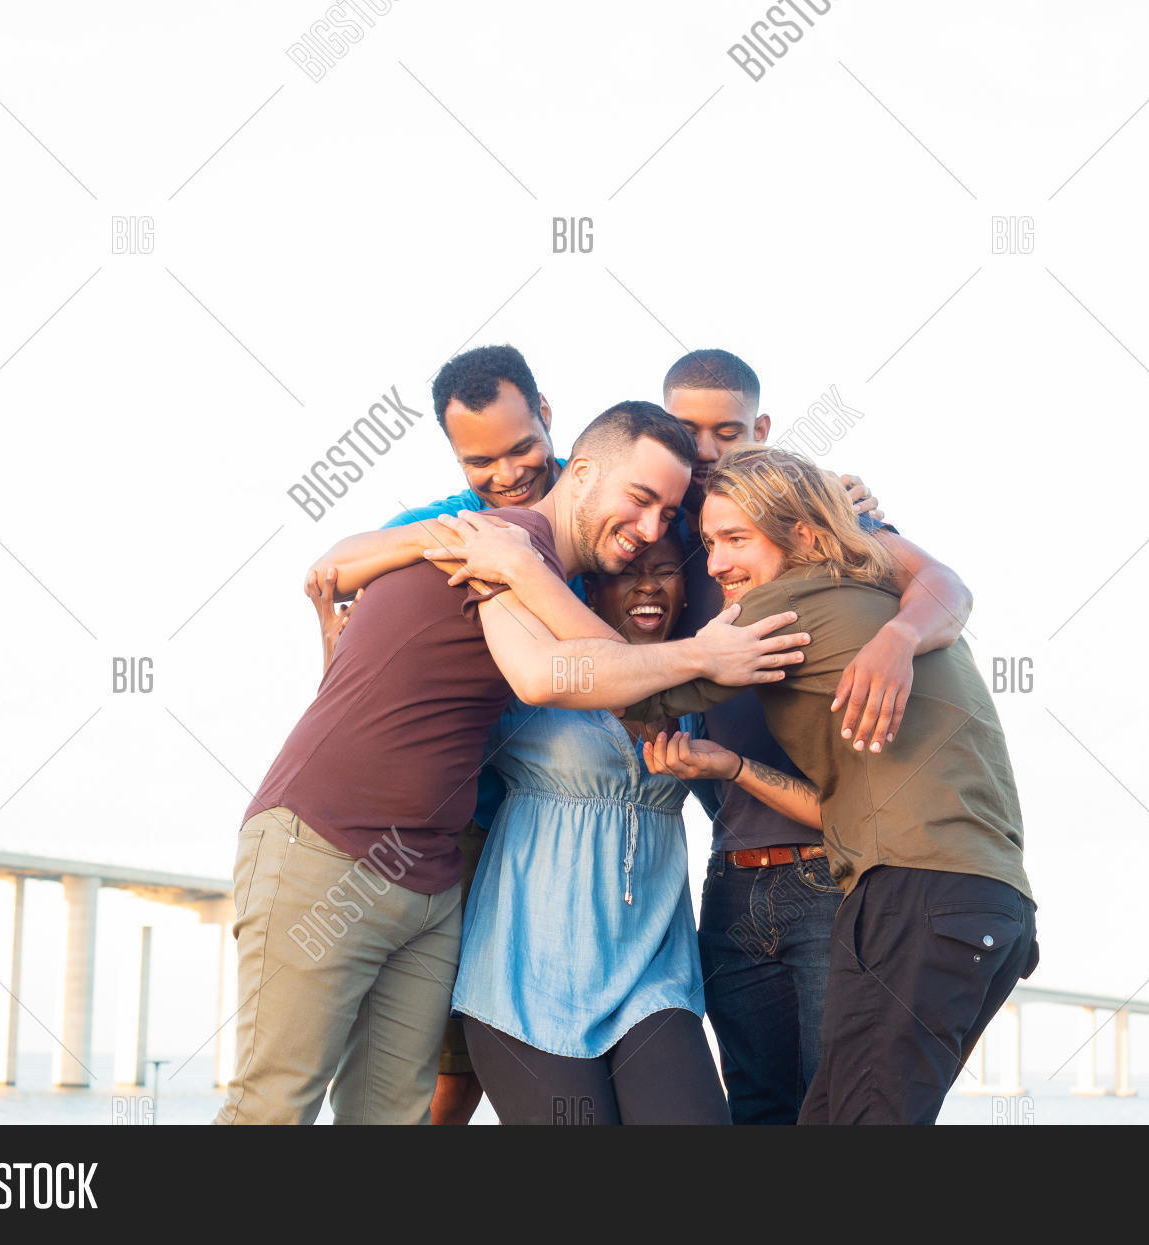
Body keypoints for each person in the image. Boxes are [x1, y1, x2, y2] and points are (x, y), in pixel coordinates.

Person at [308, 343, 892, 1124]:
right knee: (445, 1088)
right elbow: (343, 575)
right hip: (502, 887)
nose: (648, 558)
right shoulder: (515, 552)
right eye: (483, 456)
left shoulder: (688, 540)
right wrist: (470, 555)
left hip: (661, 950)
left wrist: (843, 505)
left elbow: (831, 547)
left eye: (667, 553)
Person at [214, 405, 807, 1124]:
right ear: (579, 472)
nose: (651, 529)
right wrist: (702, 655)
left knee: (386, 1118)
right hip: (325, 845)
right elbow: (541, 674)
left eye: (667, 515)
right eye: (640, 500)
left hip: (428, 880)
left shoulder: (530, 562)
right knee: (271, 1108)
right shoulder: (508, 546)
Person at [628, 444, 1037, 1125]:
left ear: (807, 538)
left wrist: (526, 577)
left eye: (735, 539)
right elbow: (849, 807)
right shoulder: (879, 601)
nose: (719, 563)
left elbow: (642, 698)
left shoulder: (786, 608)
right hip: (987, 907)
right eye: (707, 542)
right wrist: (731, 766)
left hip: (914, 896)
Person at [659, 348, 974, 1123]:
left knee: (842, 1109)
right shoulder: (654, 534)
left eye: (726, 433)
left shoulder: (829, 519)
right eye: (686, 431)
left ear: (761, 428)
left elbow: (948, 586)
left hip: (834, 876)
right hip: (731, 875)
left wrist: (899, 637)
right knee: (760, 1109)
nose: (705, 450)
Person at [448, 528, 729, 1124]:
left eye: (667, 570)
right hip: (526, 970)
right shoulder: (530, 684)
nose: (649, 584)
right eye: (629, 570)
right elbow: (418, 737)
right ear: (589, 587)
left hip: (653, 971)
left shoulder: (697, 684)